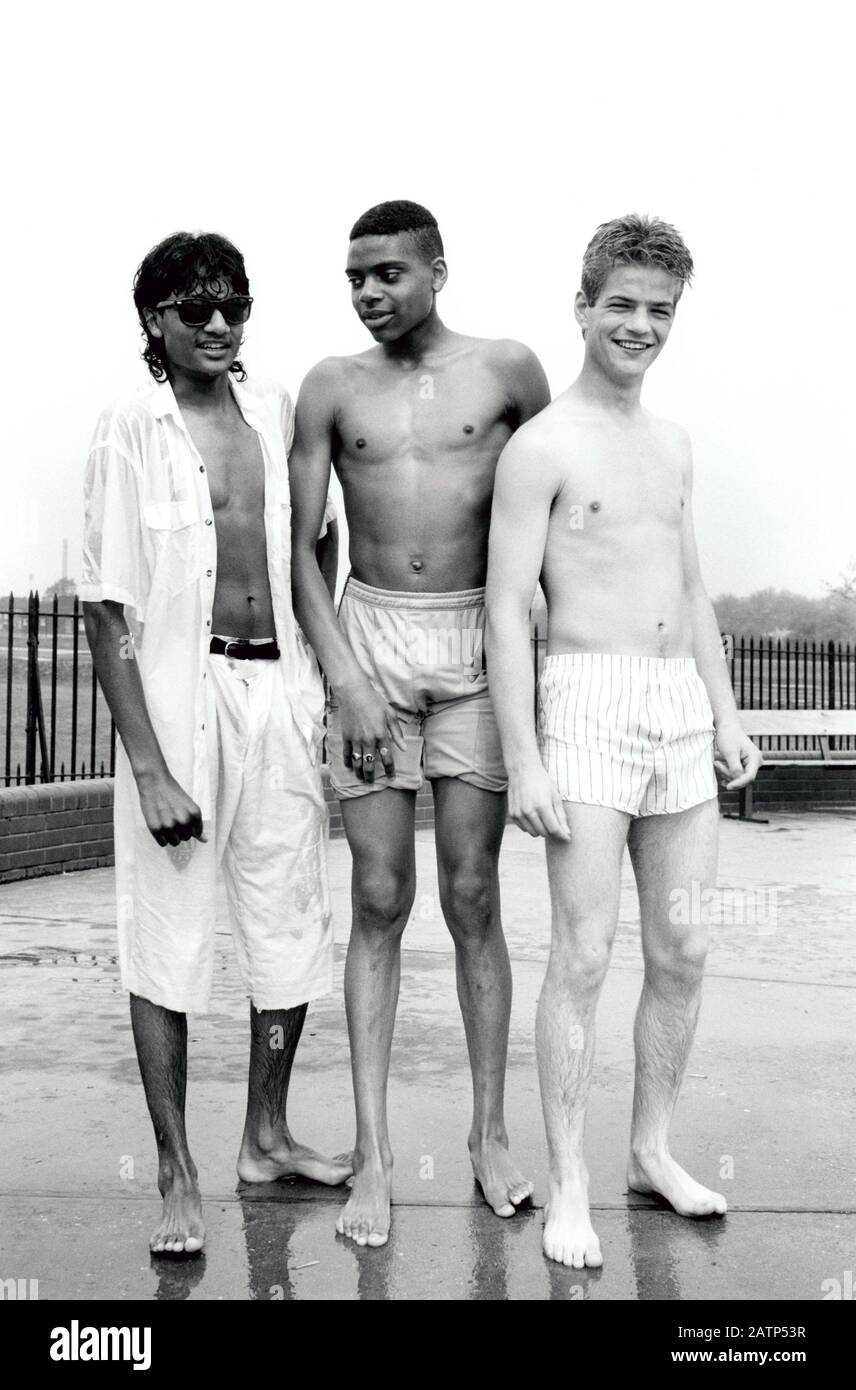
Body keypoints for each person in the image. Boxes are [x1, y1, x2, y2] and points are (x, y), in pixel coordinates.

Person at [485, 214, 762, 1269]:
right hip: (586, 705)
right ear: (583, 307)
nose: (639, 326)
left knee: (683, 947)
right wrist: (526, 757)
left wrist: (724, 707)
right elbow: (508, 608)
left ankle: (651, 1149)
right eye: (622, 306)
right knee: (585, 952)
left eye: (659, 310)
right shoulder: (542, 445)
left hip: (675, 709)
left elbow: (691, 585)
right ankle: (569, 1186)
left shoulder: (674, 442)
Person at [82, 231, 351, 1257]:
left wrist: (324, 690)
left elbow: (313, 541)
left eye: (232, 304)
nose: (217, 323)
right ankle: (176, 1172)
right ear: (154, 319)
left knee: (288, 922)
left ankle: (265, 1134)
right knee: (168, 933)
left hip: (277, 688)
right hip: (178, 701)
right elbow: (108, 613)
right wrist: (148, 766)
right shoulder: (130, 426)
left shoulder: (275, 408)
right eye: (194, 308)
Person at [289, 200, 551, 1247]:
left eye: (388, 272)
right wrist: (344, 675)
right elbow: (302, 547)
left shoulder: (507, 372)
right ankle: (376, 1154)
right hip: (371, 643)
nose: (368, 292)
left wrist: (548, 660)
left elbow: (556, 509)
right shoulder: (330, 387)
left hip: (476, 646)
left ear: (437, 268)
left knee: (474, 893)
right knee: (379, 896)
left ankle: (489, 1135)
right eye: (355, 276)